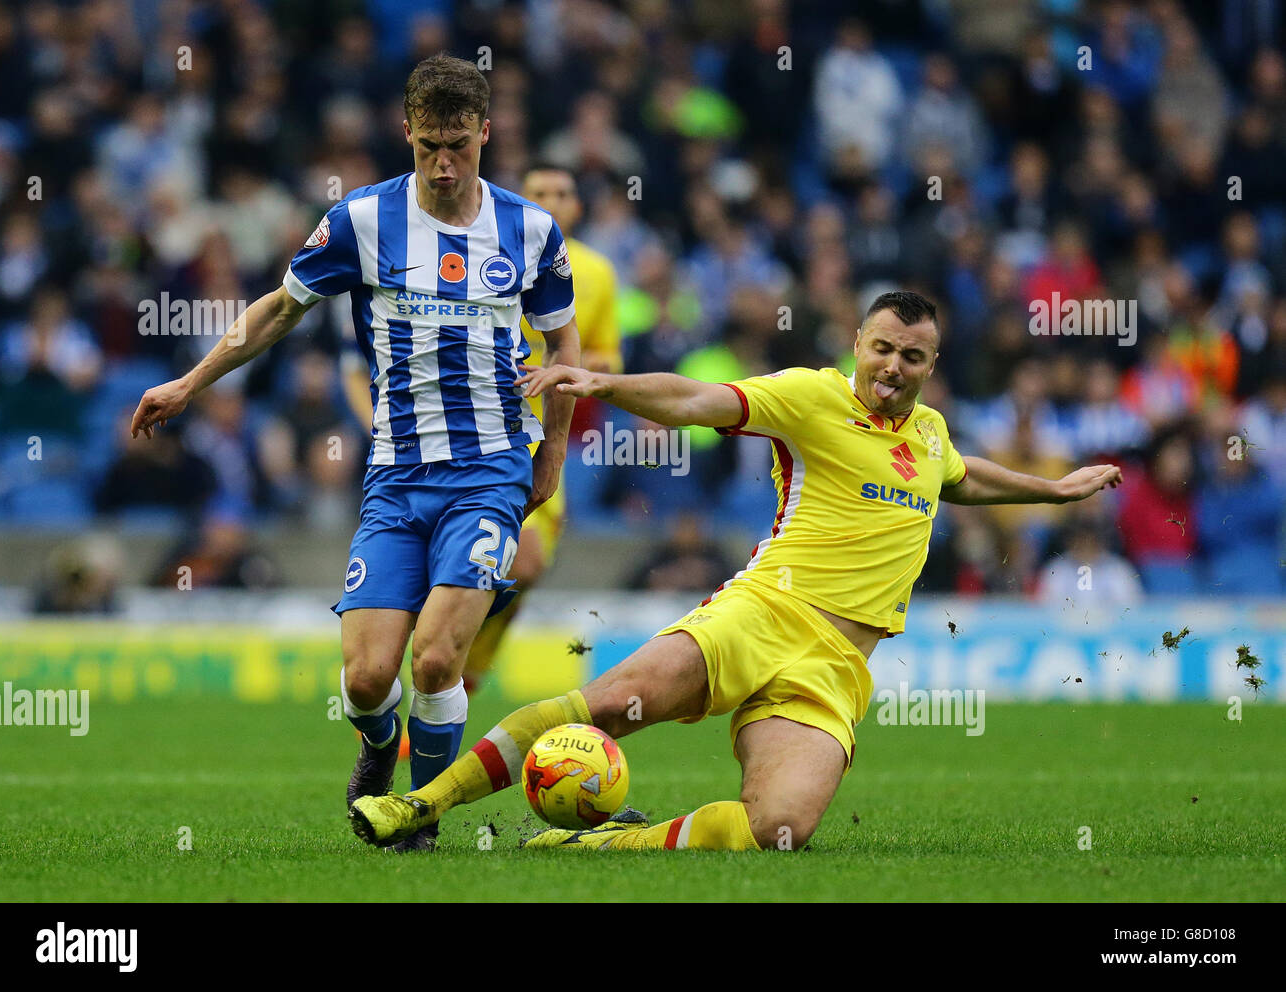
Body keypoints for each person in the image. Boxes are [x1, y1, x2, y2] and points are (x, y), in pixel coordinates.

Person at [348, 290, 1122, 852]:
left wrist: (1051, 488)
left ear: (930, 364)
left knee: (780, 829)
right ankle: (421, 804)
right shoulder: (809, 396)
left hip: (836, 667)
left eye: (911, 356)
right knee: (613, 701)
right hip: (762, 614)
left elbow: (960, 478)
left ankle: (601, 846)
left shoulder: (928, 433)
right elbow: (693, 401)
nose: (892, 366)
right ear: (858, 341)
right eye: (882, 348)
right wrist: (606, 387)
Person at [130, 54, 581, 852]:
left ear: (486, 134)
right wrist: (191, 382)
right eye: (428, 147)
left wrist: (550, 458)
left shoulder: (531, 230)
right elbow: (278, 310)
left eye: (460, 147)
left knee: (439, 658)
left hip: (490, 471)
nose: (444, 166)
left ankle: (421, 814)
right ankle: (378, 748)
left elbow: (563, 342)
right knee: (370, 680)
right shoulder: (361, 221)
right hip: (397, 477)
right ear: (406, 133)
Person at [341, 162, 621, 693]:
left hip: (537, 428)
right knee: (497, 559)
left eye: (563, 191)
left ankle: (467, 664)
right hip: (466, 425)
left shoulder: (597, 273)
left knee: (529, 563)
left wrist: (567, 370)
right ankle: (434, 647)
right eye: (541, 191)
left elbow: (605, 357)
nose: (553, 200)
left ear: (578, 205)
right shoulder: (498, 240)